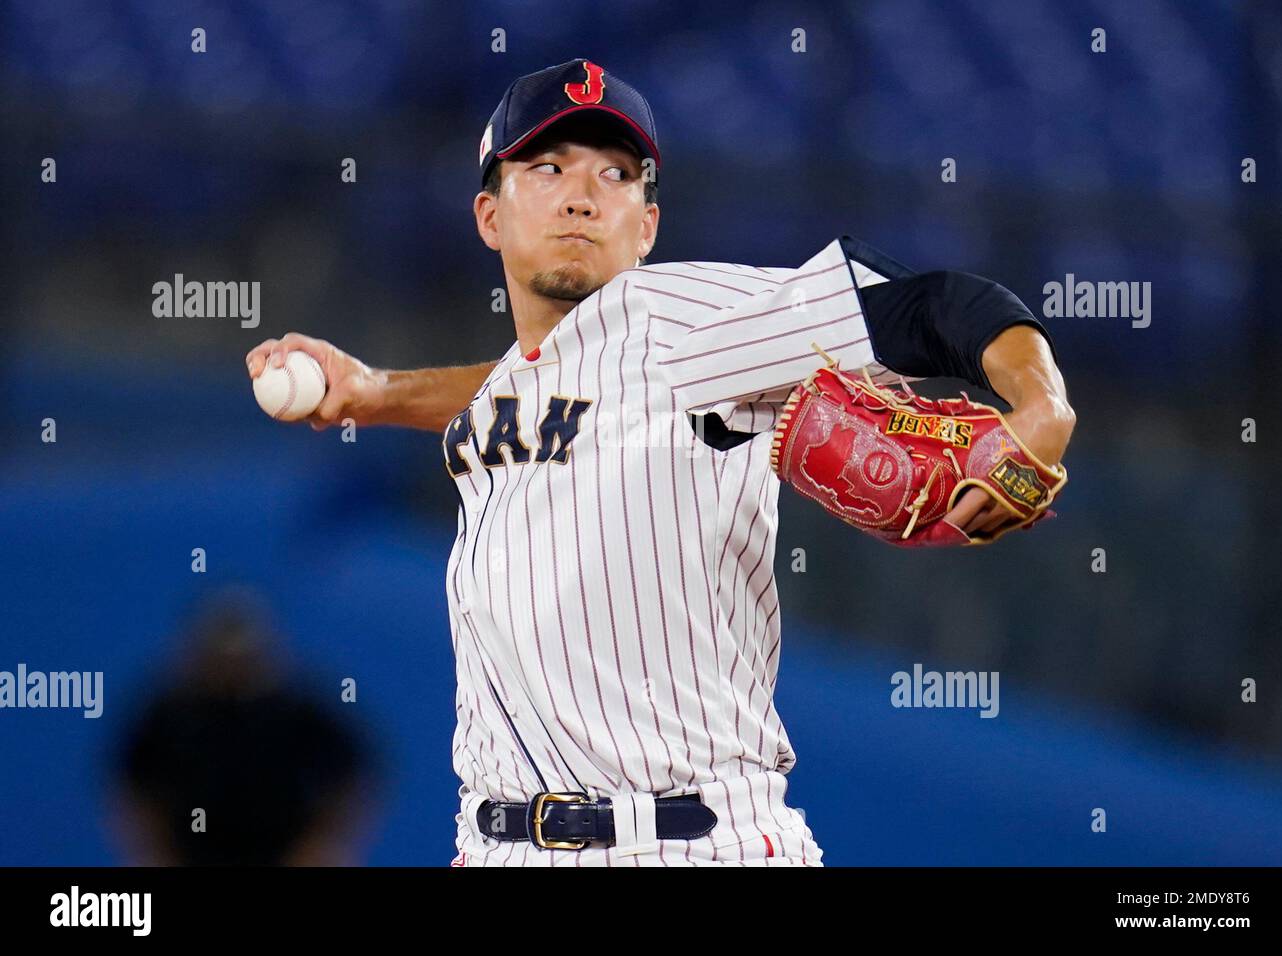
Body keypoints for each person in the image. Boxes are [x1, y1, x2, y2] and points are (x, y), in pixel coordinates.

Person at [246, 58, 1075, 866]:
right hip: (498, 844)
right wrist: (373, 392)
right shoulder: (530, 379)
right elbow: (521, 392)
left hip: (689, 842)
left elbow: (940, 305)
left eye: (616, 174)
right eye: (546, 166)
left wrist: (1042, 406)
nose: (581, 194)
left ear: (646, 226)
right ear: (489, 216)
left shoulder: (685, 321)